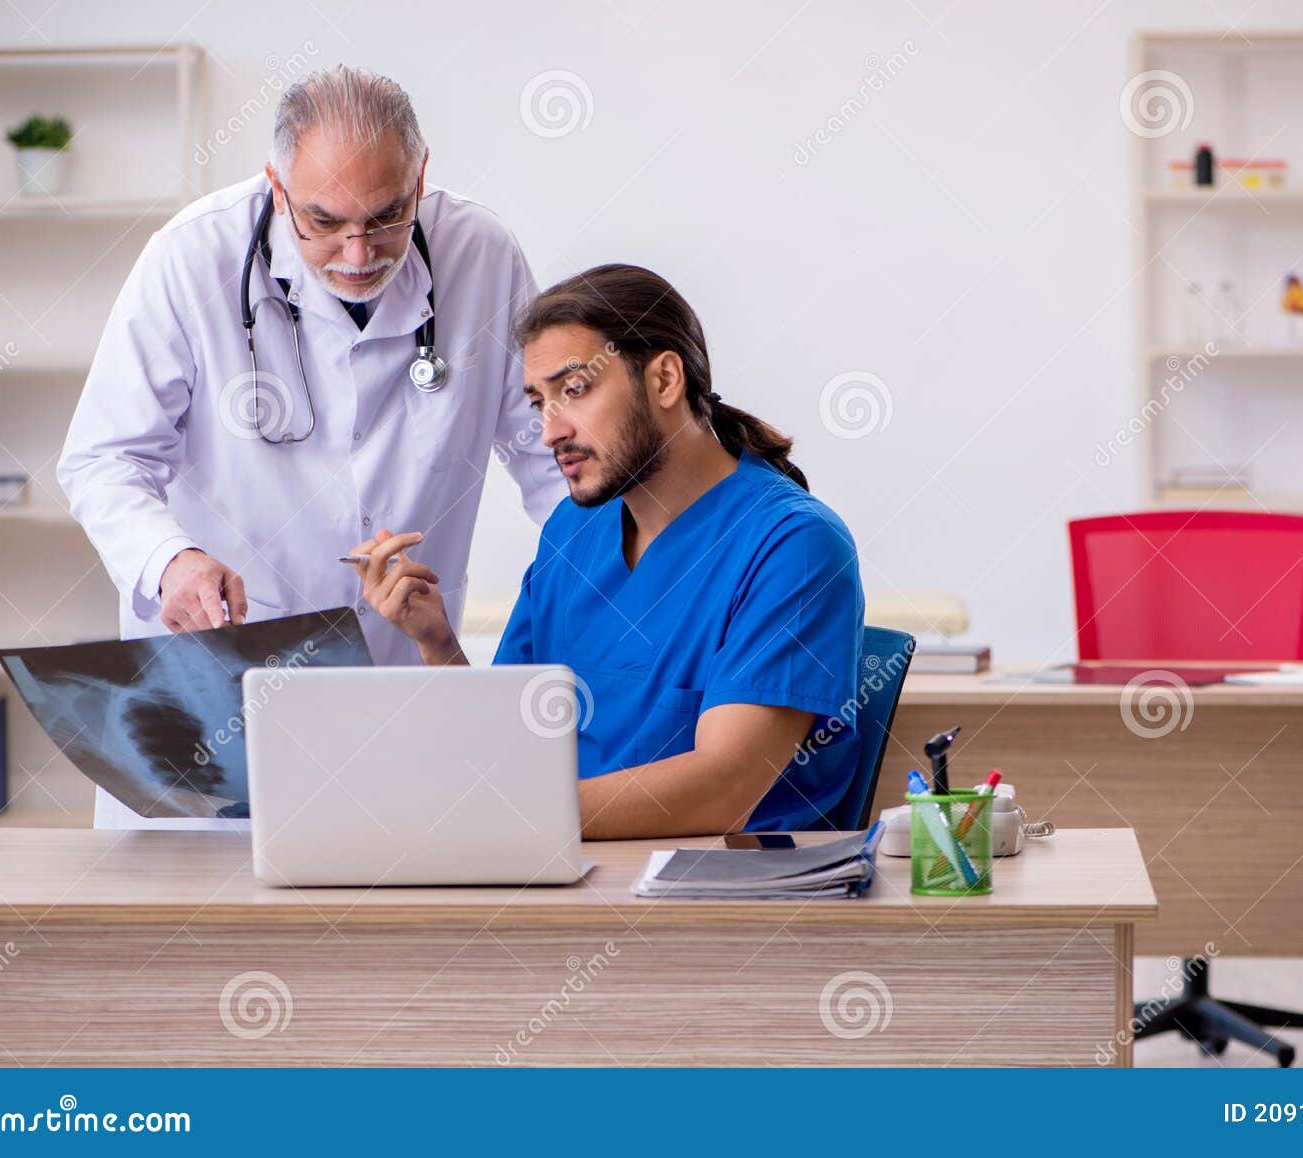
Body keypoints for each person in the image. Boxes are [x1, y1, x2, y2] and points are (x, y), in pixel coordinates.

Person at [58, 65, 562, 830]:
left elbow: (551, 460)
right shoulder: (193, 257)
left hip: (395, 689)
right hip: (214, 692)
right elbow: (104, 458)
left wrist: (629, 593)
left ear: (421, 176)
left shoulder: (482, 256)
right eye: (324, 222)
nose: (358, 252)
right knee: (181, 934)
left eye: (388, 216)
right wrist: (169, 561)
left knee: (388, 925)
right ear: (276, 185)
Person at [351, 264, 864, 838]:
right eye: (537, 402)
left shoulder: (792, 544)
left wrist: (492, 817)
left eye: (574, 390)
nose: (550, 432)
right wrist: (437, 643)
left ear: (665, 380)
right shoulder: (574, 530)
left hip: (720, 900)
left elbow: (723, 791)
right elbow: (514, 747)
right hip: (569, 872)